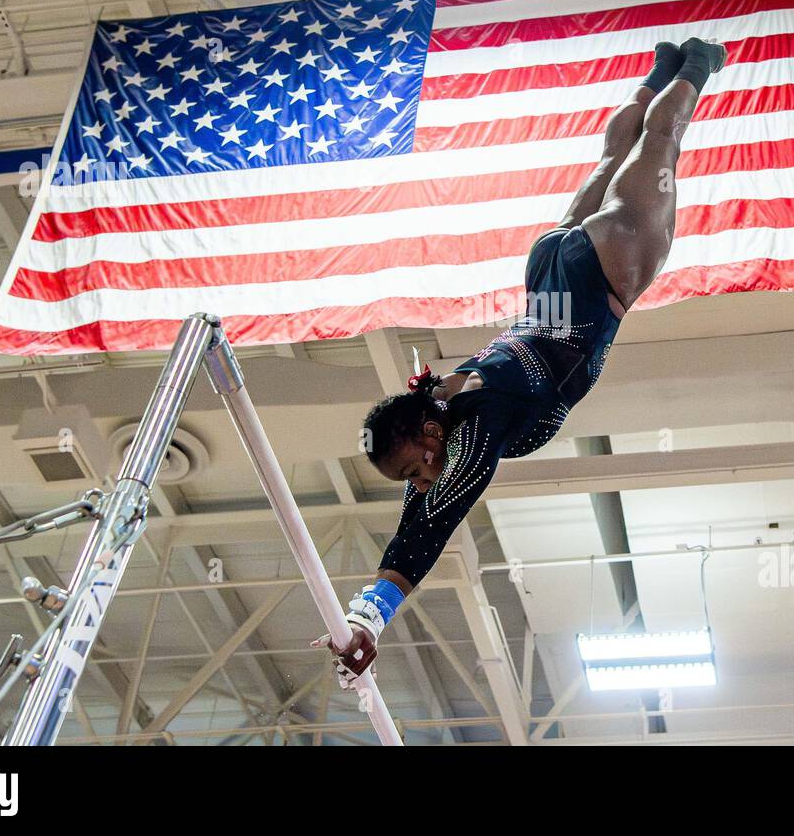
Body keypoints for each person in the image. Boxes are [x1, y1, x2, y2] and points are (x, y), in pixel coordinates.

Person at [311, 37, 727, 688]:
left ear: (427, 436)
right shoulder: (442, 397)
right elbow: (418, 515)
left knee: (662, 144)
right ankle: (661, 70)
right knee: (618, 155)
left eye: (412, 469)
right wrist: (367, 608)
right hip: (548, 270)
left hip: (594, 282)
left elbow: (424, 533)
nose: (419, 483)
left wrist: (369, 617)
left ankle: (698, 64)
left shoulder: (472, 433)